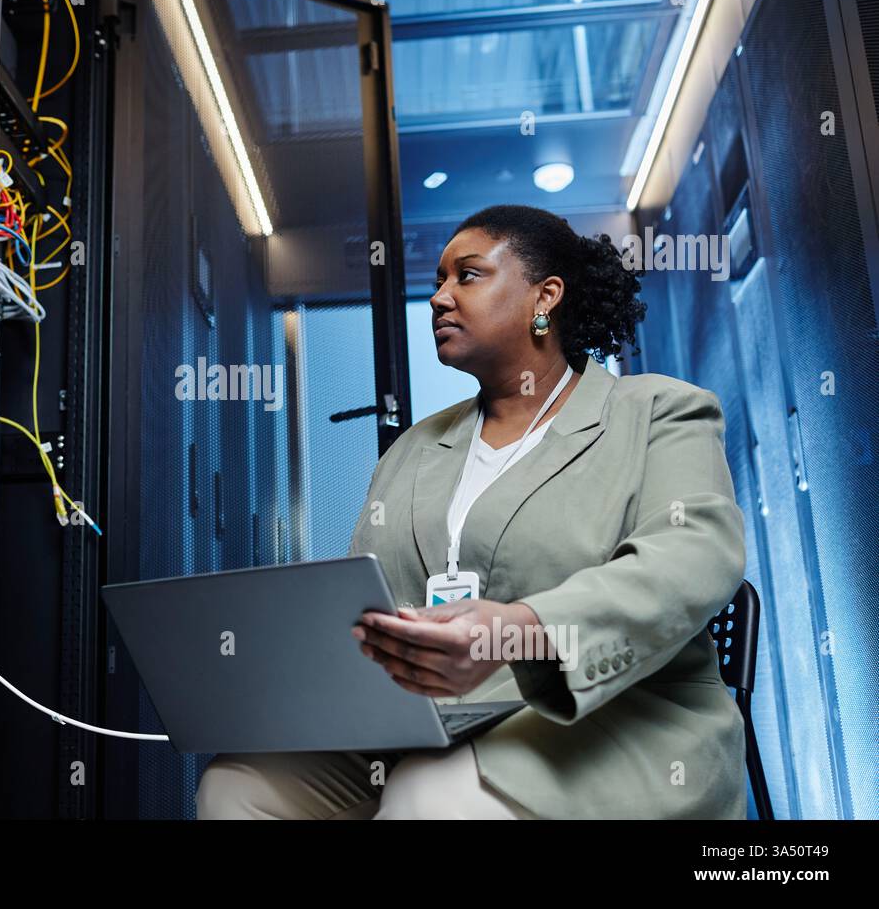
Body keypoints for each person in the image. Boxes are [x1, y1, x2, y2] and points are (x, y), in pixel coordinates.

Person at [196, 204, 748, 819]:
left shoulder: (657, 413)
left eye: (468, 275)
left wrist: (516, 629)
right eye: (438, 280)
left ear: (547, 296)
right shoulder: (413, 448)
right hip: (432, 721)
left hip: (609, 720)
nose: (439, 297)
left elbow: (694, 556)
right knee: (235, 783)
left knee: (425, 798)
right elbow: (369, 596)